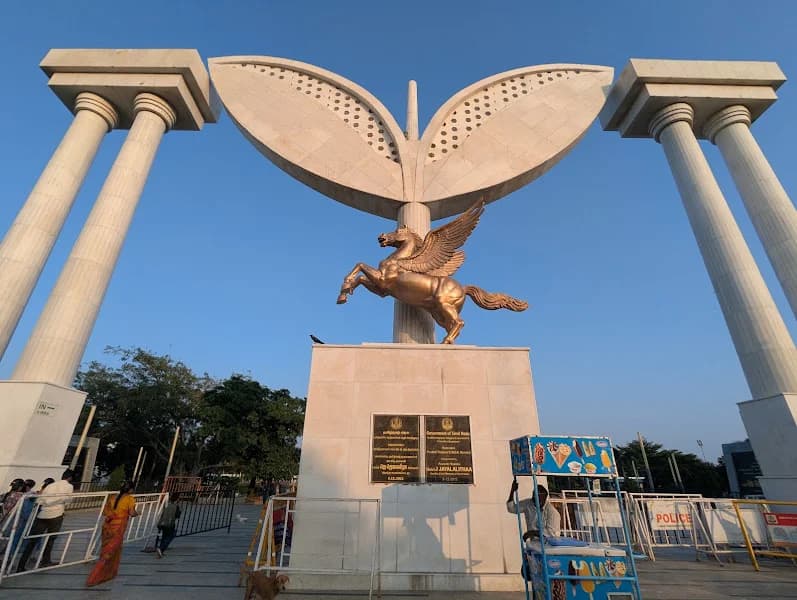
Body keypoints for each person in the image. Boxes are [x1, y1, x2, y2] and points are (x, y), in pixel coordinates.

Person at [17, 469, 74, 571]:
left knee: (33, 540)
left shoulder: (50, 486)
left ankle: (21, 565)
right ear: (70, 478)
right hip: (56, 514)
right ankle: (45, 560)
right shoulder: (69, 486)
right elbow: (68, 500)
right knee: (51, 538)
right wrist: (58, 501)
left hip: (42, 514)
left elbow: (40, 499)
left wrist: (47, 503)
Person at [85, 481, 139, 586]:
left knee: (106, 549)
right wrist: (138, 513)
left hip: (107, 526)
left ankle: (109, 573)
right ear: (131, 490)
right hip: (117, 528)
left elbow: (105, 512)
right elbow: (132, 513)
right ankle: (96, 576)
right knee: (110, 552)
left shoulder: (113, 497)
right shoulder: (130, 499)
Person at [155, 492, 181, 558]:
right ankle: (161, 548)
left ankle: (161, 550)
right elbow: (177, 516)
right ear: (177, 499)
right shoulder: (176, 506)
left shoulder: (166, 504)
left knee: (164, 536)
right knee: (171, 535)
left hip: (162, 523)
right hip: (170, 524)